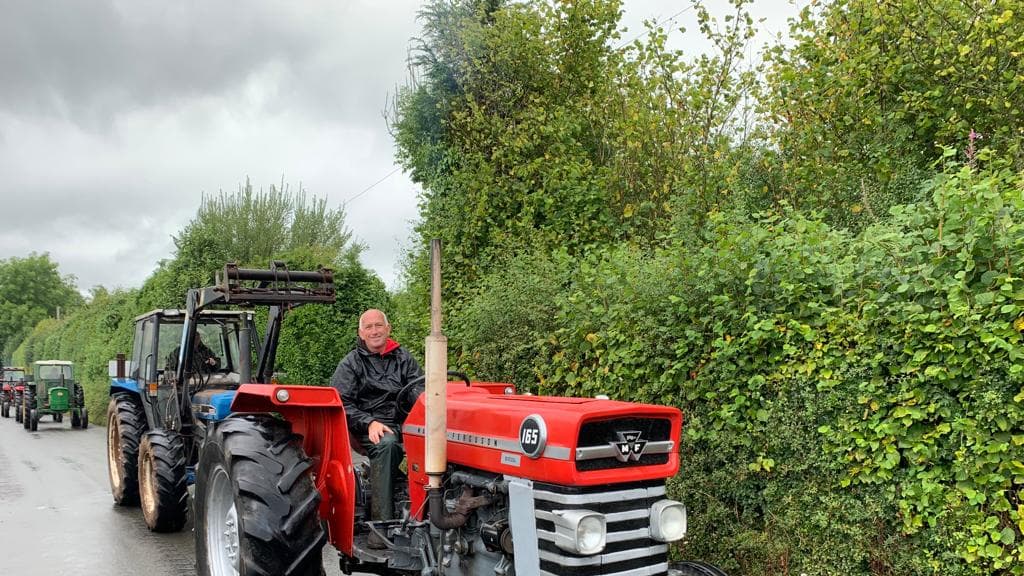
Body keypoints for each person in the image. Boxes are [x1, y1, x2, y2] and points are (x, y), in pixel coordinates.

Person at [331, 309, 422, 531]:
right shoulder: (351, 363)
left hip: (402, 422)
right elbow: (341, 402)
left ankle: (427, 509)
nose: (375, 331)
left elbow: (418, 388)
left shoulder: (403, 358)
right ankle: (381, 525)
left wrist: (428, 408)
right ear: (361, 333)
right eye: (369, 327)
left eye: (379, 325)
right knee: (387, 444)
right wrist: (369, 422)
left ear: (388, 329)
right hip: (366, 426)